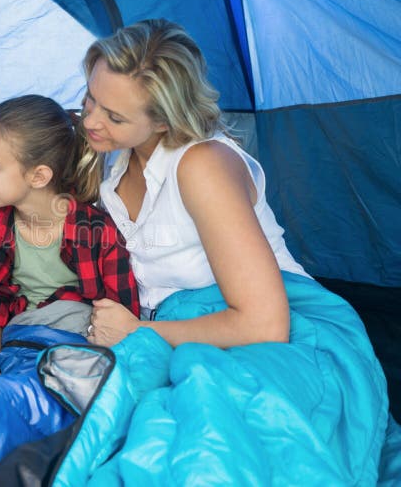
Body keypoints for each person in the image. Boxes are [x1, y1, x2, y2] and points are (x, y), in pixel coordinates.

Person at [81, 18, 309, 348]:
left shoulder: (203, 165)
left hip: (275, 340)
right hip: (175, 332)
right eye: (90, 97)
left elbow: (265, 326)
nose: (90, 120)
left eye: (114, 117)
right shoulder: (112, 156)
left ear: (163, 120)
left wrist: (136, 332)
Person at [0, 94, 139, 376]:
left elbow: (120, 322)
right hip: (18, 347)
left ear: (38, 176)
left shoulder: (99, 234)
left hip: (81, 350)